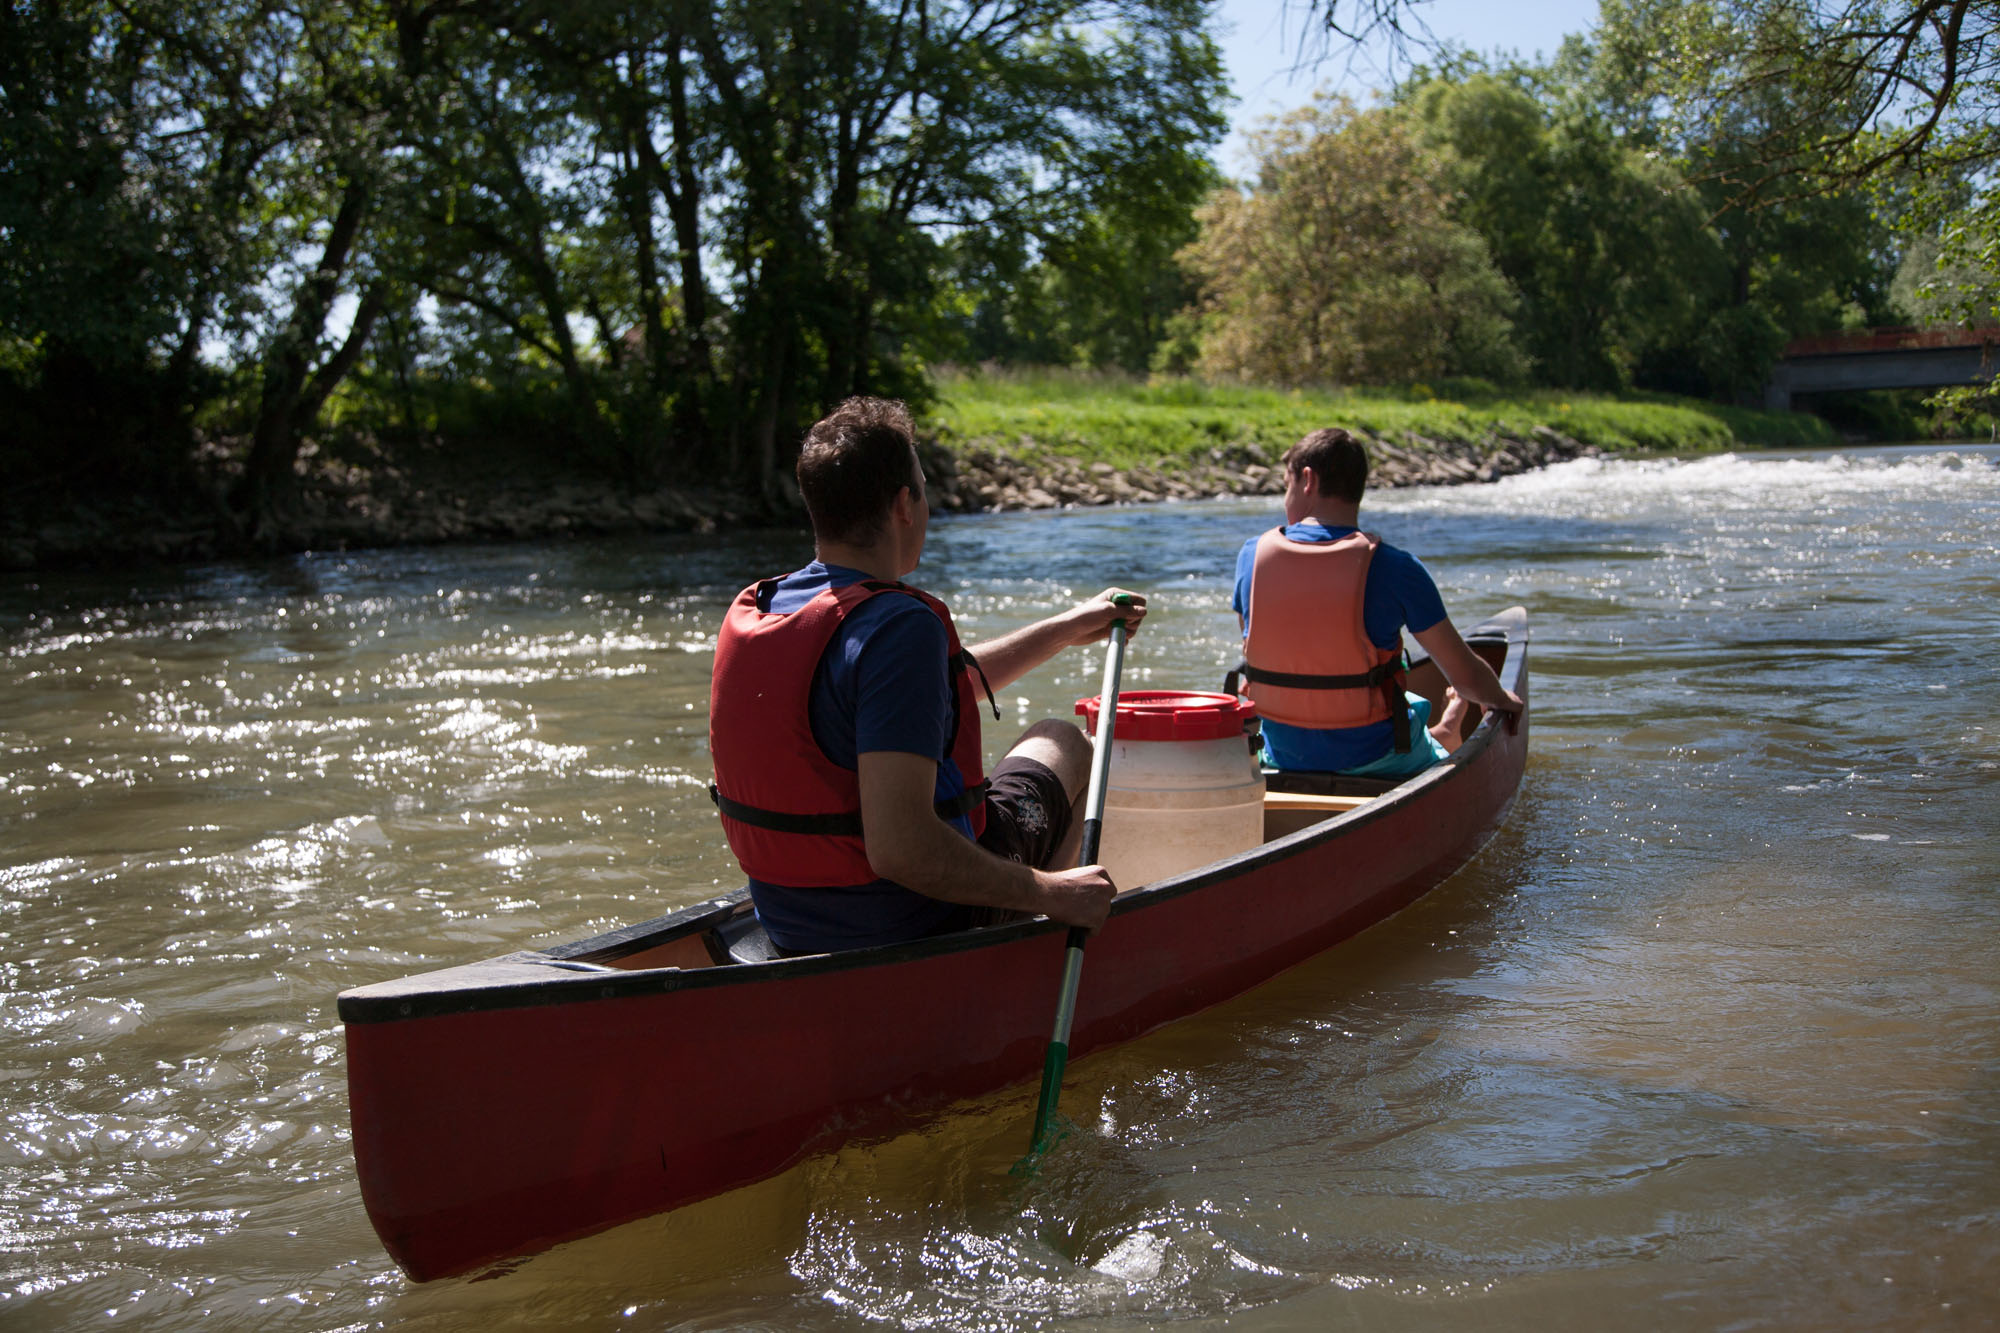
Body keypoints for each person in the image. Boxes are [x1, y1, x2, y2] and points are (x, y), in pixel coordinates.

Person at [708, 396, 1148, 955]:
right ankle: (1035, 947)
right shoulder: (901, 626)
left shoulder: (771, 607)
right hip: (909, 921)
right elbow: (902, 850)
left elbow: (921, 689)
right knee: (1061, 740)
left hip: (790, 916)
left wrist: (1067, 627)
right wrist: (1052, 891)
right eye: (923, 486)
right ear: (903, 506)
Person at [1230, 427, 1523, 777]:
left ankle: (1442, 731)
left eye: (1285, 486)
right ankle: (1445, 733)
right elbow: (1465, 677)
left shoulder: (1251, 558)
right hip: (1375, 758)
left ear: (1307, 480)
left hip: (1279, 753)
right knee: (1418, 713)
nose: (1286, 499)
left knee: (1411, 709)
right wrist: (1504, 700)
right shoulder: (1398, 567)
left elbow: (1259, 646)